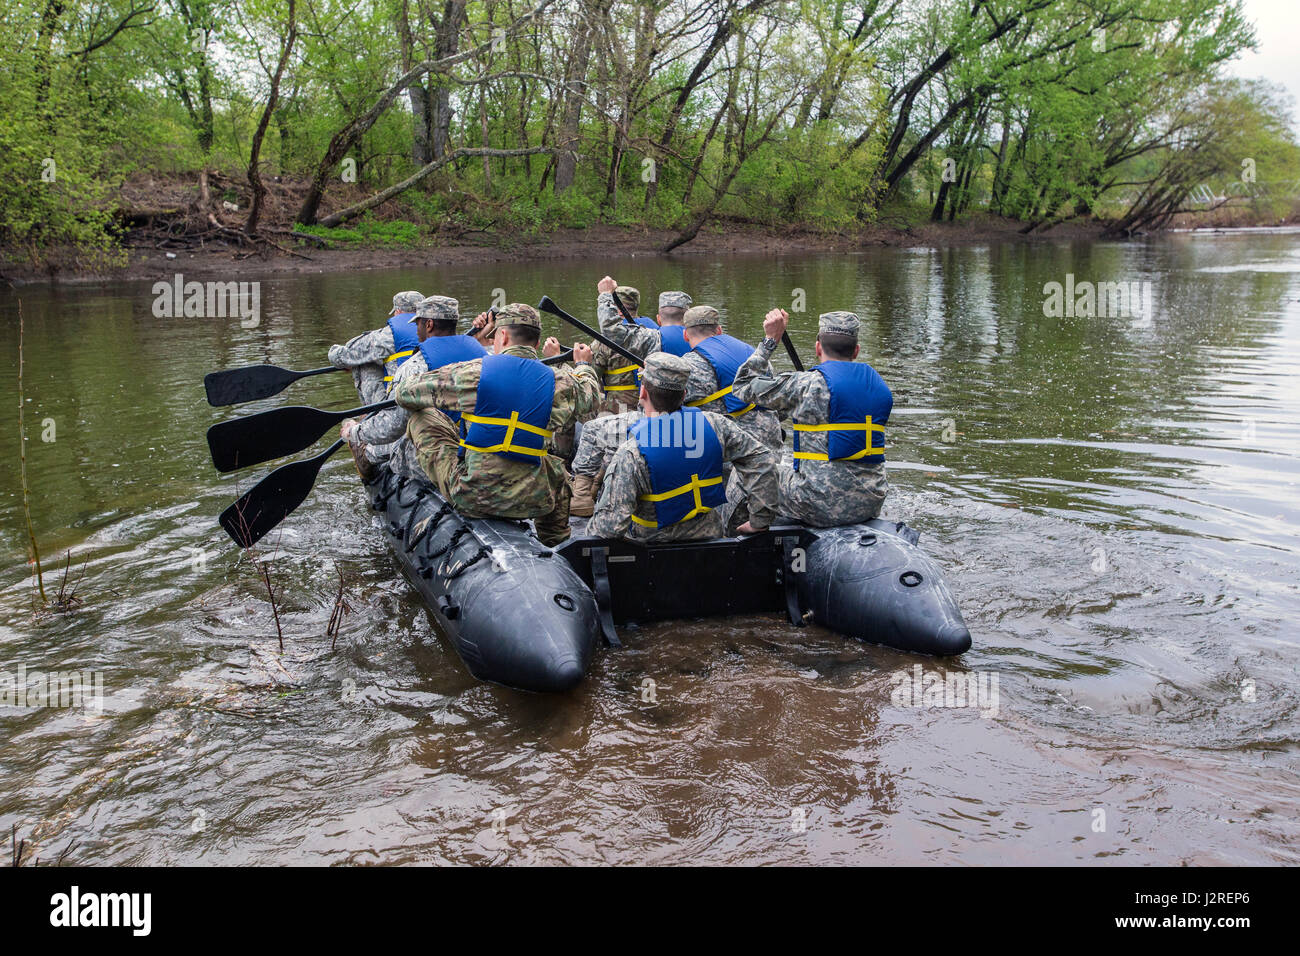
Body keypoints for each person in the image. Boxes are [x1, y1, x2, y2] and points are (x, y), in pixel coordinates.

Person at [390, 304, 602, 546]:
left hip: (474, 496)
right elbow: (591, 397)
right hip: (534, 498)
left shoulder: (473, 372)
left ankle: (419, 483)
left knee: (422, 416)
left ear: (502, 336)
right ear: (537, 342)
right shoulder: (561, 381)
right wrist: (584, 366)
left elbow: (404, 393)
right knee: (555, 467)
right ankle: (557, 541)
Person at [586, 353, 779, 542]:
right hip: (710, 543)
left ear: (643, 392)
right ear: (684, 394)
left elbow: (608, 529)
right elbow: (762, 458)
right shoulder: (716, 426)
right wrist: (759, 520)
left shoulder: (631, 453)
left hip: (650, 550)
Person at [732, 309, 892, 527]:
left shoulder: (805, 385)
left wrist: (771, 340)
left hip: (819, 503)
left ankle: (741, 534)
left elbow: (742, 386)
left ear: (818, 348)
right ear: (856, 351)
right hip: (871, 501)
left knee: (746, 469)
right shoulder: (880, 386)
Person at [339, 295, 487, 480]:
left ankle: (366, 454)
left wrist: (355, 433)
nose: (416, 329)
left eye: (418, 323)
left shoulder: (414, 367)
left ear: (429, 325)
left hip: (434, 456)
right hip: (476, 449)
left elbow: (394, 426)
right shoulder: (486, 356)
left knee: (403, 435)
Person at [679, 304, 783, 452]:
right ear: (719, 330)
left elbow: (667, 406)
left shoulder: (688, 365)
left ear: (685, 335)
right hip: (770, 443)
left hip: (732, 451)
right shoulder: (755, 354)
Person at [326, 290, 424, 404]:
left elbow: (340, 357)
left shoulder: (386, 335)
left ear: (397, 312)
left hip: (400, 404)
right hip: (429, 396)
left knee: (365, 360)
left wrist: (345, 360)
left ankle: (372, 413)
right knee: (376, 356)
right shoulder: (435, 329)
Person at [569, 408, 642, 517]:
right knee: (614, 438)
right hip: (669, 415)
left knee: (593, 429)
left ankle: (581, 495)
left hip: (659, 415)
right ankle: (595, 487)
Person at [596, 278, 693, 359]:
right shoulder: (701, 339)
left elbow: (612, 331)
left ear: (658, 319)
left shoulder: (653, 339)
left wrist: (605, 295)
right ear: (687, 319)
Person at [590, 284, 649, 413]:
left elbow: (591, 376)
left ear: (619, 310)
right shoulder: (650, 332)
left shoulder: (603, 342)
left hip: (619, 410)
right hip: (649, 407)